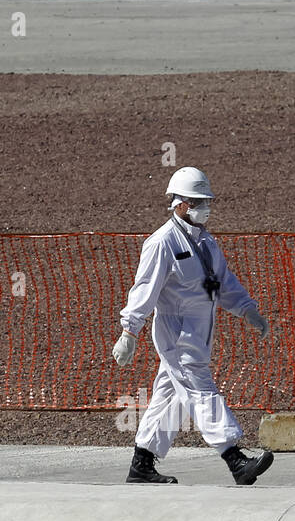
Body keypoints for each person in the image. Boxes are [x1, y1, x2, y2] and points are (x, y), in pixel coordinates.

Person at [111, 166, 274, 486]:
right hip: (176, 334)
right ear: (179, 204)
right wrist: (129, 331)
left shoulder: (206, 243)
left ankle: (142, 464)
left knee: (170, 394)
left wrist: (247, 309)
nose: (204, 208)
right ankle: (235, 459)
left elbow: (223, 283)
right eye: (197, 202)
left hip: (199, 333)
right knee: (200, 388)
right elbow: (144, 289)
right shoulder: (162, 243)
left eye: (206, 201)